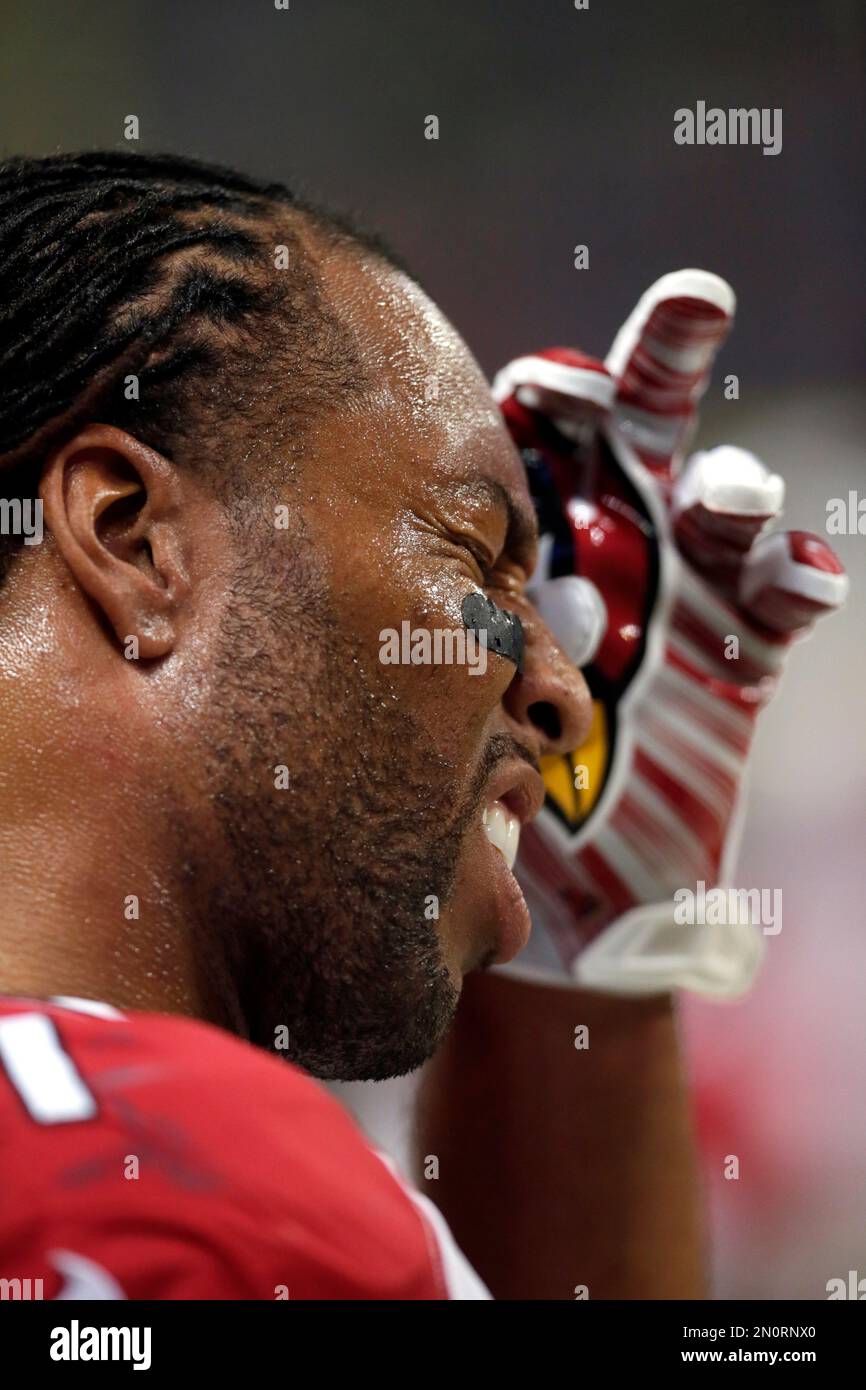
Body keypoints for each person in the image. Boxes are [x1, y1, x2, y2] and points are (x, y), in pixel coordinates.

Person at [0, 151, 839, 1301]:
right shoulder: (190, 1197)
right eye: (473, 555)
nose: (564, 691)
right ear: (135, 536)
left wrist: (581, 971)